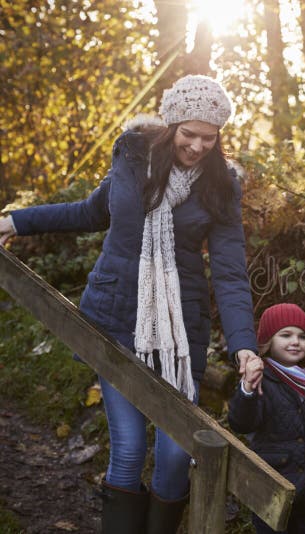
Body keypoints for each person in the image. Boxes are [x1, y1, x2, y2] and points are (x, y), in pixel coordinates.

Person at [0, 75, 263, 533]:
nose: (199, 146)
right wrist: (15, 222)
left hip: (180, 331)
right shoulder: (132, 155)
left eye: (210, 136)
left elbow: (229, 271)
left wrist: (244, 344)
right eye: (190, 134)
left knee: (177, 452)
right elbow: (89, 212)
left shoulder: (223, 185)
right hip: (116, 319)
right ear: (172, 124)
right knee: (126, 448)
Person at [229, 303, 305, 534]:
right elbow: (241, 423)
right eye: (286, 335)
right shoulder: (262, 380)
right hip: (270, 487)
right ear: (268, 341)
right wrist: (248, 389)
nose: (295, 341)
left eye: (302, 336)